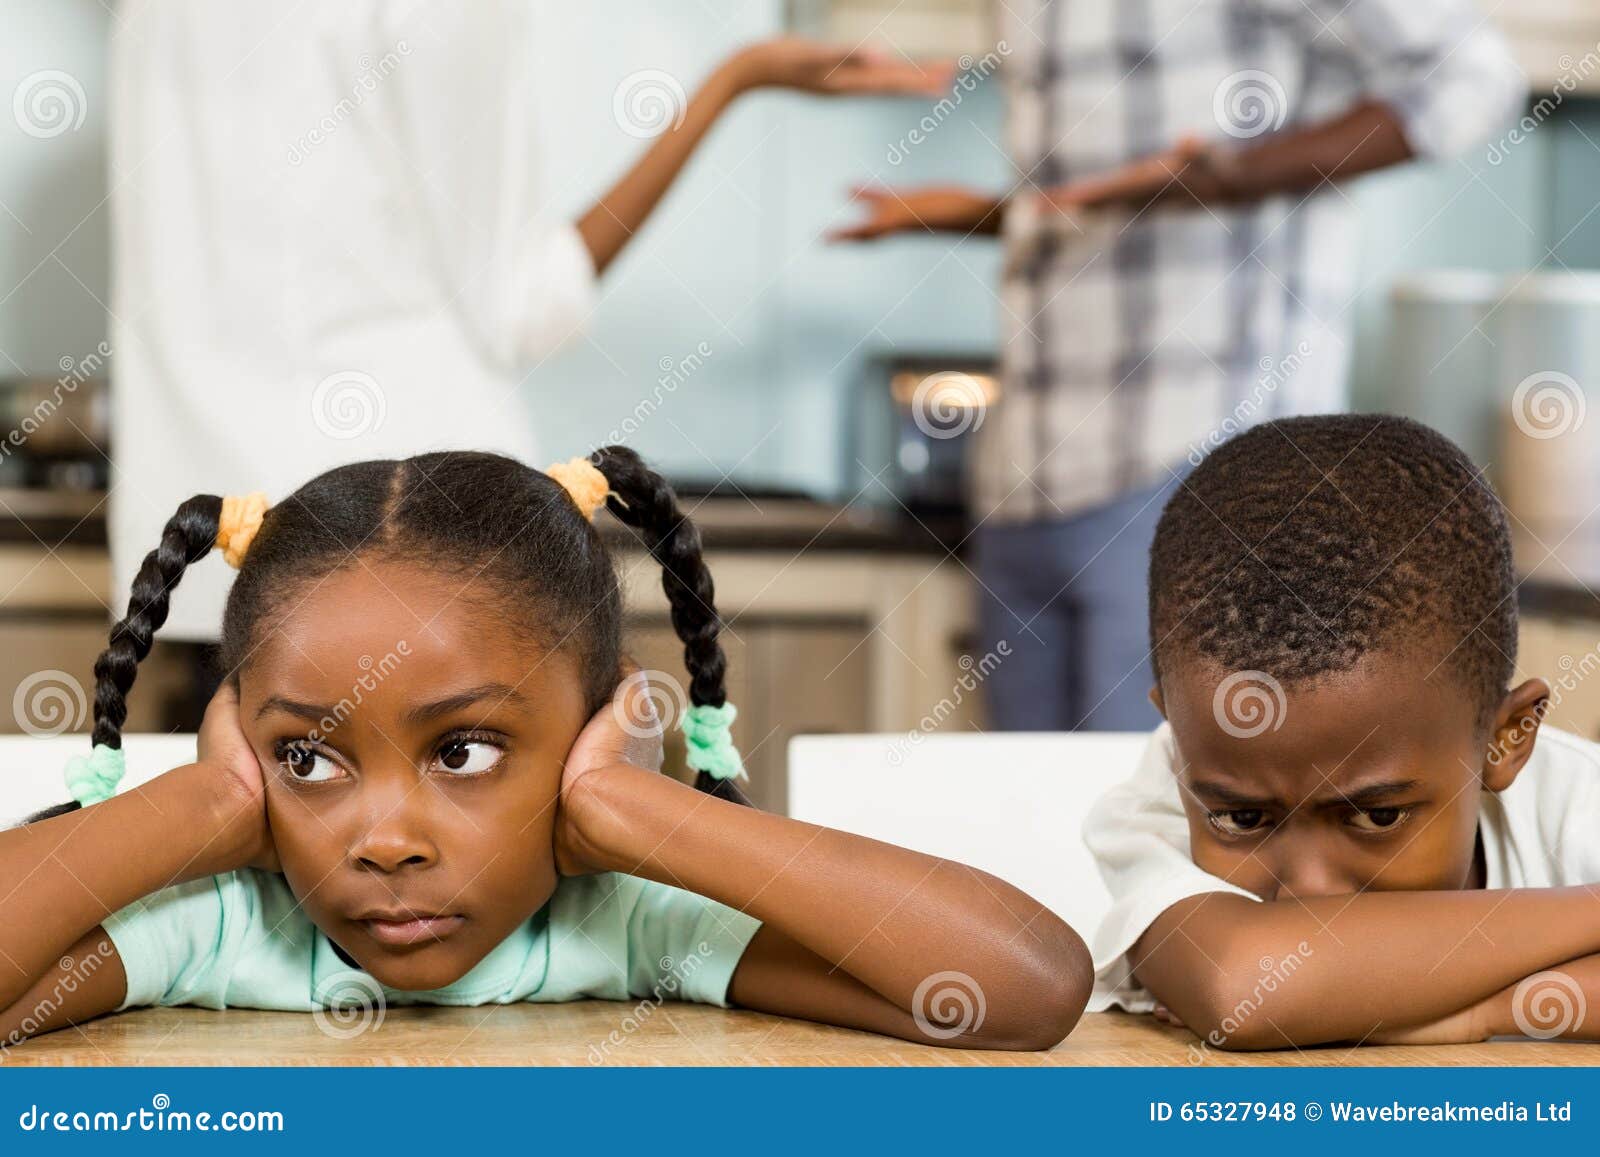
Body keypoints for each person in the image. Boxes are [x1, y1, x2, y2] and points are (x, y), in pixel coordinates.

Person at [3, 448, 1090, 1051]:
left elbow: (1028, 986)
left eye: (465, 750)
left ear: (595, 725)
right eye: (310, 759)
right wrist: (199, 806)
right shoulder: (228, 922)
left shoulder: (631, 920)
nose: (384, 841)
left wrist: (630, 808)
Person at [107, 2, 951, 715]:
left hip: (206, 571)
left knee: (221, 906)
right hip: (419, 565)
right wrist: (733, 83)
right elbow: (523, 307)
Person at [833, 1, 1525, 731]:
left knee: (1164, 823)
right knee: (1021, 831)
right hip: (1022, 483)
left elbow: (1474, 78)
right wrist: (974, 213)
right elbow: (1105, 200)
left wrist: (1233, 174)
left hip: (1197, 463)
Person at [1087, 415, 1600, 1049]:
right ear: (1176, 732)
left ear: (1506, 739)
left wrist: (1358, 1001)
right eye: (1243, 821)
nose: (1311, 892)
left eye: (1378, 817)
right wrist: (1488, 1015)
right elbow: (1245, 988)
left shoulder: (1580, 811)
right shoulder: (1158, 804)